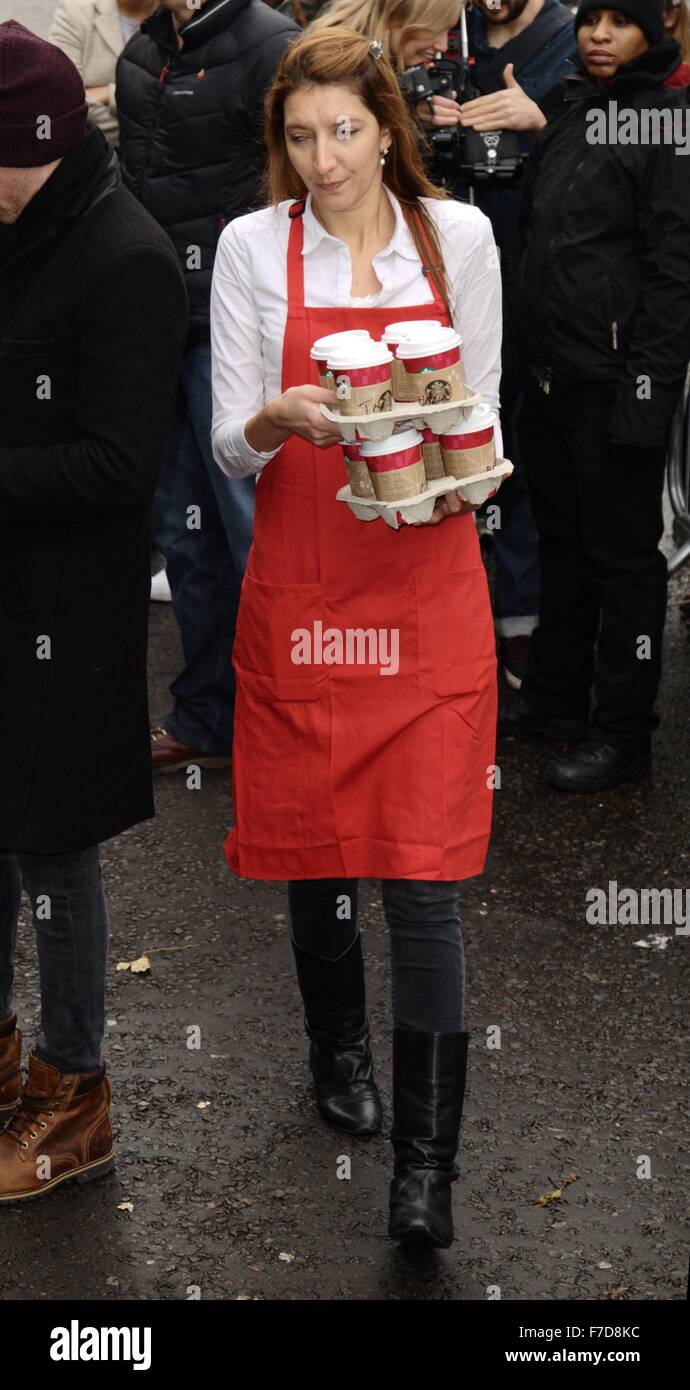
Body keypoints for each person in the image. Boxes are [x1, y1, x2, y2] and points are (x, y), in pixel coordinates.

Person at [211, 26, 503, 1248]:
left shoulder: (465, 241)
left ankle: (426, 1173)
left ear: (390, 128)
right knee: (322, 846)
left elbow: (482, 417)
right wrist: (279, 416)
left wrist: (458, 475)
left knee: (424, 878)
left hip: (427, 589)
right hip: (309, 592)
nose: (322, 160)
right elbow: (230, 440)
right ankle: (338, 1051)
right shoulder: (248, 248)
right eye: (299, 135)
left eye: (343, 131)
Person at [0, 22, 188, 1199]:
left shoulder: (126, 257)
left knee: (54, 855)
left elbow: (121, 463)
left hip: (66, 614)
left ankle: (76, 1092)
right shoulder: (16, 222)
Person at [502, 0, 690, 791]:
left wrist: (646, 395)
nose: (600, 34)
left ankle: (623, 733)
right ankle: (555, 698)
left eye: (621, 20)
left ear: (655, 29)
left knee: (624, 563)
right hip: (550, 371)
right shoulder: (576, 105)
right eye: (592, 19)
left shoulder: (666, 123)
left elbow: (675, 269)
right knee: (559, 544)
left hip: (616, 380)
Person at [116, 0, 299, 773]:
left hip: (238, 330)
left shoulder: (271, 44)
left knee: (258, 535)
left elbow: (296, 186)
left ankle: (289, 719)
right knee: (188, 539)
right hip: (160, 323)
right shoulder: (139, 55)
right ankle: (207, 715)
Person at [422, 1, 577, 690]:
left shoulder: (575, 40)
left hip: (534, 271)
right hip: (440, 272)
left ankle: (521, 619)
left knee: (518, 443)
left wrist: (540, 126)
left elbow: (617, 159)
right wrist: (421, 122)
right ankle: (452, 616)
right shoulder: (442, 34)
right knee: (445, 433)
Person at [50, 0, 156, 146]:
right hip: (91, 158)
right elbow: (60, 104)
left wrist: (107, 94)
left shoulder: (182, 12)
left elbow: (184, 103)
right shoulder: (76, 10)